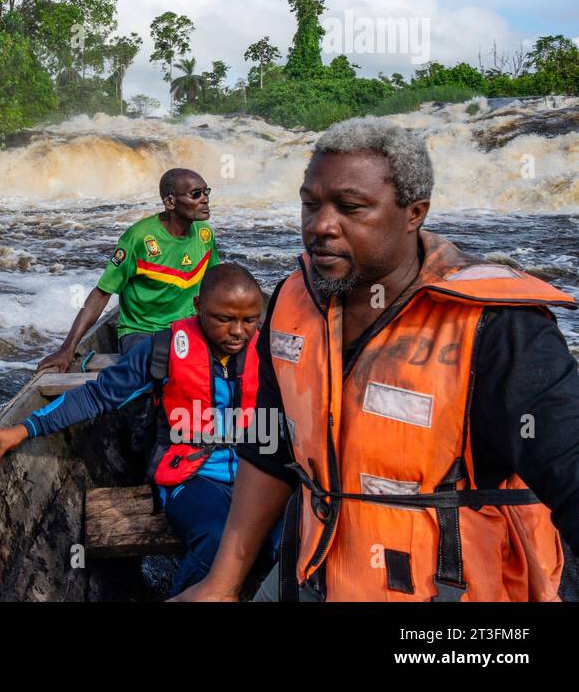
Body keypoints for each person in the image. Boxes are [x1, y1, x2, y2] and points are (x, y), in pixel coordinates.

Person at [173, 118, 579, 602]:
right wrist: (220, 585)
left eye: (350, 207)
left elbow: (568, 468)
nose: (320, 226)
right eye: (310, 204)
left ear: (414, 213)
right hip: (315, 574)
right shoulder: (290, 302)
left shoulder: (497, 327)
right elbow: (270, 450)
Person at [0, 263, 276, 596]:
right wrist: (25, 428)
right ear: (198, 307)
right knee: (215, 538)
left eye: (249, 319)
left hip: (260, 476)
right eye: (224, 319)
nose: (238, 332)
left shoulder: (273, 352)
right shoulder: (164, 349)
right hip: (193, 478)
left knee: (289, 544)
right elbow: (98, 395)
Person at [37, 168, 218, 370]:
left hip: (186, 328)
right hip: (143, 332)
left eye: (206, 192)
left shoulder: (204, 233)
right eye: (196, 194)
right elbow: (102, 293)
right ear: (170, 202)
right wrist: (67, 349)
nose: (204, 199)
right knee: (156, 369)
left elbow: (214, 281)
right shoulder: (137, 239)